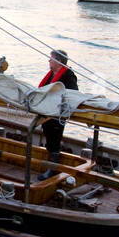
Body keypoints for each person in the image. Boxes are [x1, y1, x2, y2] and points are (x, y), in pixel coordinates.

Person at [37, 49, 78, 178]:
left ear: (58, 61)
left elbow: (73, 94)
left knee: (54, 140)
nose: (49, 61)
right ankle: (50, 166)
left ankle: (52, 169)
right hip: (46, 112)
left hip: (57, 113)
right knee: (49, 137)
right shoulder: (51, 74)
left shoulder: (68, 75)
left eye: (51, 58)